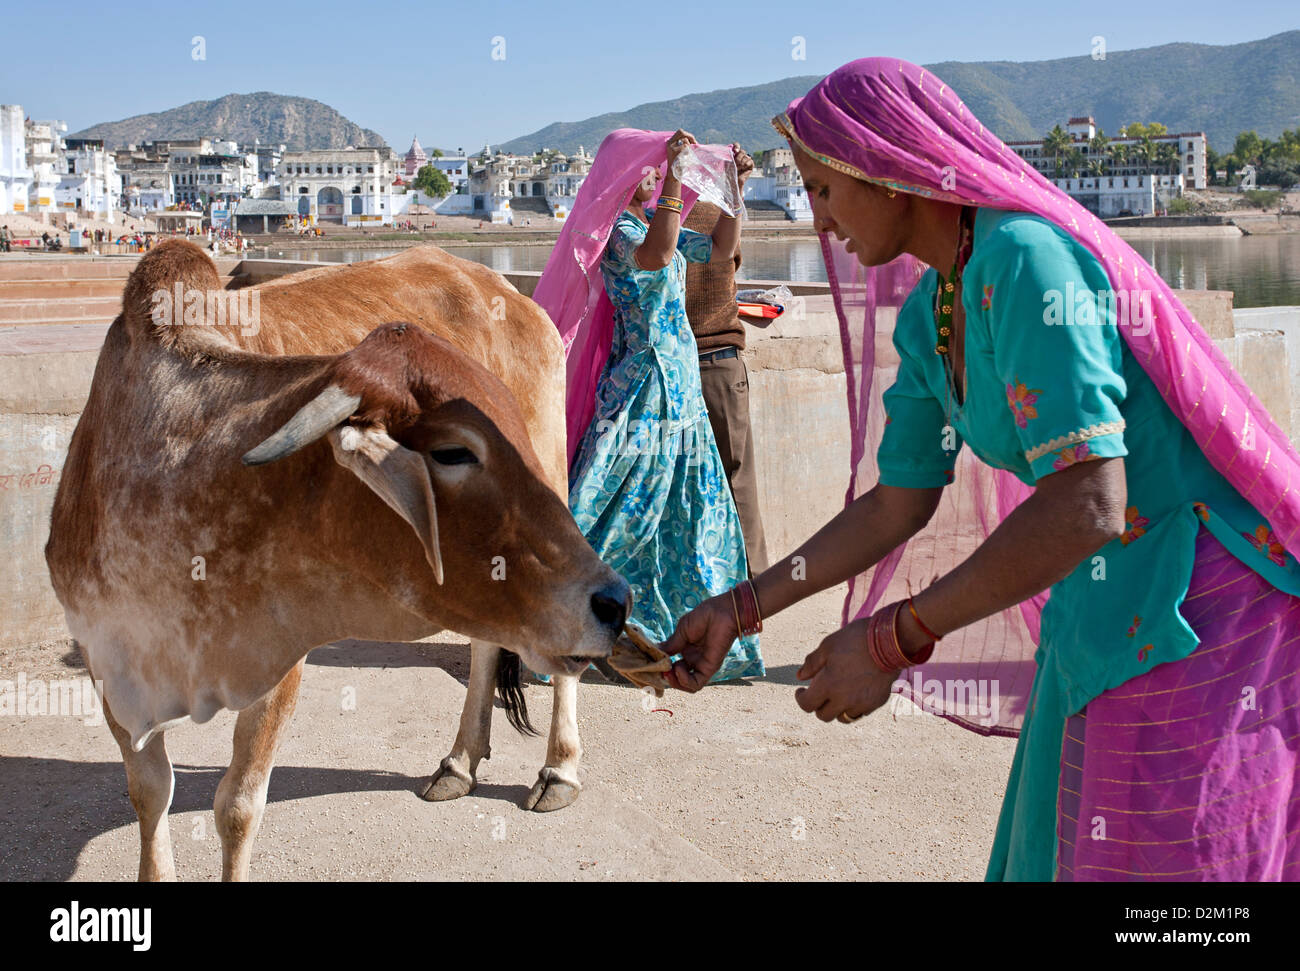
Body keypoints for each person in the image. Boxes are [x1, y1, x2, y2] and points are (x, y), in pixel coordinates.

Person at [662, 58, 1300, 881]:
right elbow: (896, 503)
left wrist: (894, 641)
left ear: (888, 171)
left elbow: (1088, 500)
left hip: (1200, 605)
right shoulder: (939, 308)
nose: (819, 222)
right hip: (1102, 606)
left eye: (824, 190)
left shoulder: (1025, 260)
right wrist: (740, 605)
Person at [535, 128, 764, 682]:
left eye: (658, 170)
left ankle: (684, 623)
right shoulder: (614, 232)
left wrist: (733, 189)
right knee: (613, 499)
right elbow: (658, 255)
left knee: (688, 505)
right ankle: (552, 613)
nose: (656, 176)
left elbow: (718, 251)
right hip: (643, 384)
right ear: (622, 176)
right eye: (648, 169)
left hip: (679, 381)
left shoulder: (652, 220)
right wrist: (678, 178)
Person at [683, 181, 769, 573]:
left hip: (675, 369)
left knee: (684, 486)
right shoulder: (718, 212)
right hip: (719, 362)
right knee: (738, 480)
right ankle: (754, 586)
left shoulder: (655, 219)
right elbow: (730, 262)